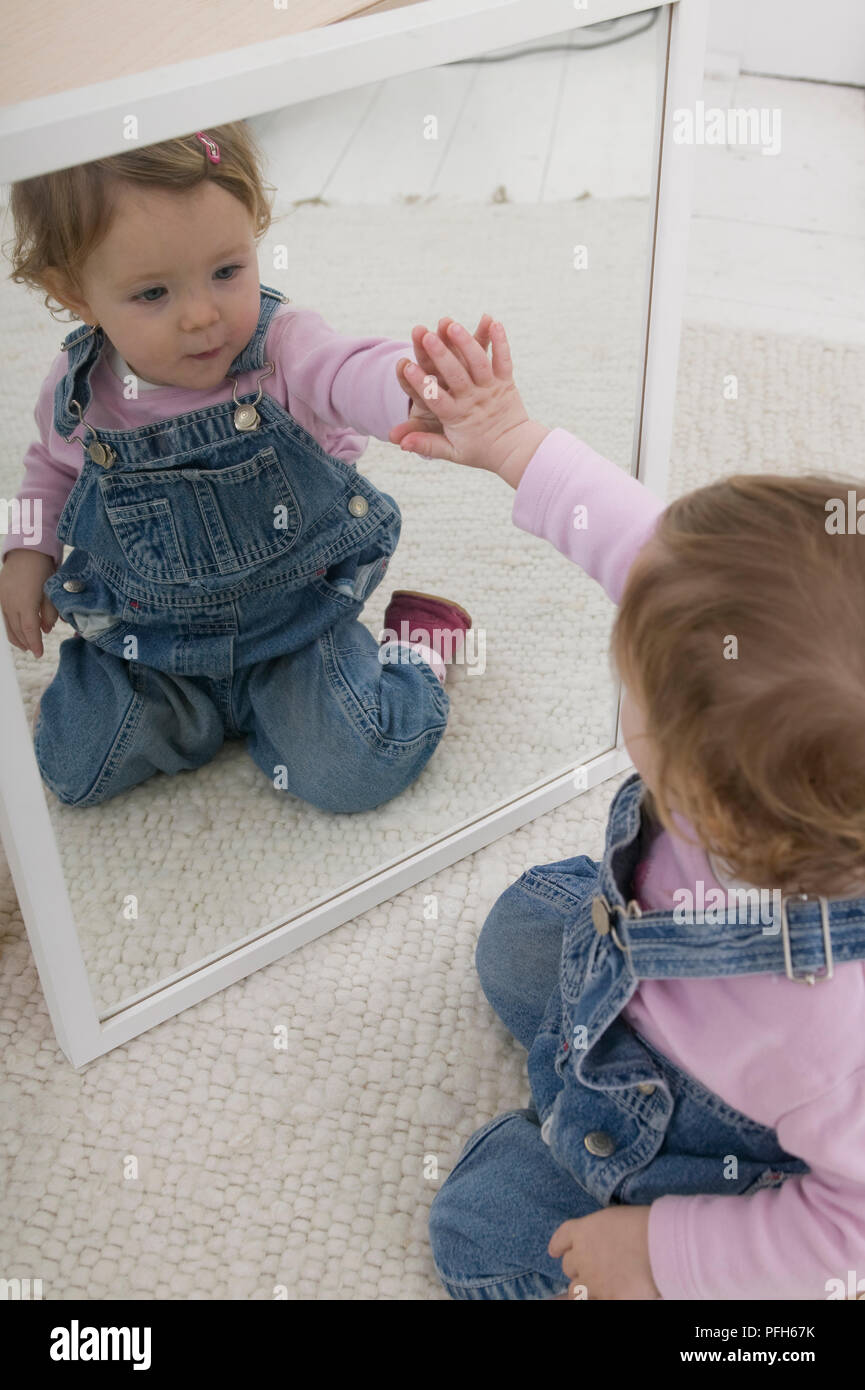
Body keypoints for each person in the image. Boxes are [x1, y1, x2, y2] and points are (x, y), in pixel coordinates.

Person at [394, 316, 865, 1300]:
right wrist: (510, 438)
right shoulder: (761, 712)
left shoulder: (836, 1041)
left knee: (481, 1225)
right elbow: (651, 560)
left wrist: (663, 1254)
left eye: (637, 688)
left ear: (702, 800)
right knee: (519, 928)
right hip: (630, 967)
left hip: (698, 1132)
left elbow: (846, 1230)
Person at [0, 123, 474, 811]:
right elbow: (47, 469)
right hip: (146, 643)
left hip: (292, 628)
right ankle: (198, 719)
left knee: (359, 765)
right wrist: (26, 549)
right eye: (152, 294)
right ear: (74, 292)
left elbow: (343, 371)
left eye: (226, 271)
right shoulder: (79, 388)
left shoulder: (280, 348)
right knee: (74, 765)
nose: (202, 316)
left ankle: (417, 649)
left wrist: (410, 387)